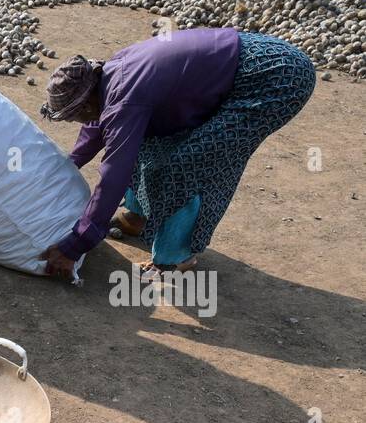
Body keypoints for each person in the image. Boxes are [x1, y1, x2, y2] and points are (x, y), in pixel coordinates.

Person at [38, 27, 314, 277]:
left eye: (75, 116)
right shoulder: (109, 75)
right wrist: (69, 165)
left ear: (87, 102)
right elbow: (98, 128)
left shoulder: (125, 98)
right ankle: (136, 218)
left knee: (187, 164)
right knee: (146, 141)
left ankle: (175, 258)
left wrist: (77, 243)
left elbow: (114, 173)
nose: (79, 122)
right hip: (240, 61)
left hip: (275, 77)